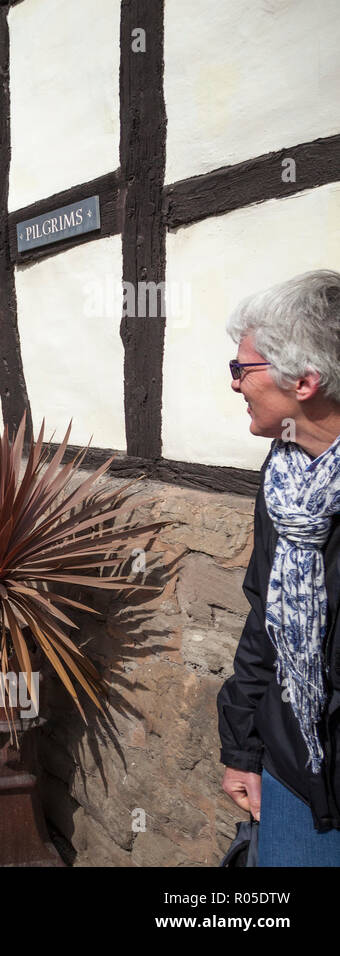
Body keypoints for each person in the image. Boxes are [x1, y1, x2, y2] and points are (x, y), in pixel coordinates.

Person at [219, 269, 340, 866]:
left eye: (242, 369)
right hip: (293, 770)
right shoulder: (287, 476)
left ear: (305, 381)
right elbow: (265, 618)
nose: (235, 384)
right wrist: (243, 749)